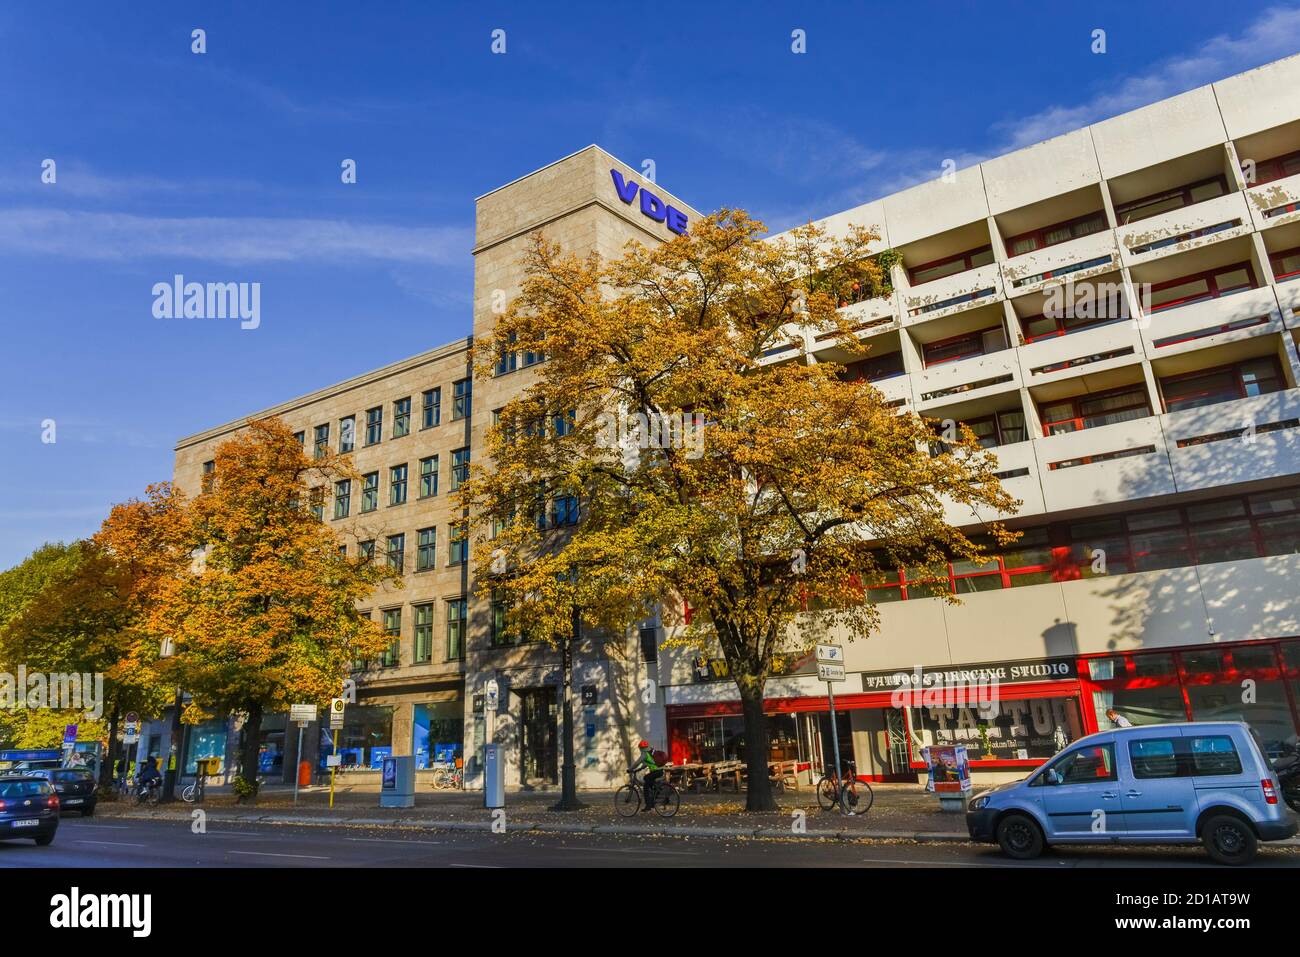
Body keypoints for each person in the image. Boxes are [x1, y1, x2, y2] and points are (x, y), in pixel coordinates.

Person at [629, 740, 663, 813]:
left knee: (645, 784)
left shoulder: (644, 754)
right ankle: (653, 800)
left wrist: (630, 769)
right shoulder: (651, 752)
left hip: (655, 772)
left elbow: (637, 763)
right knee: (649, 783)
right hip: (660, 771)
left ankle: (648, 806)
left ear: (641, 748)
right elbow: (646, 764)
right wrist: (639, 769)